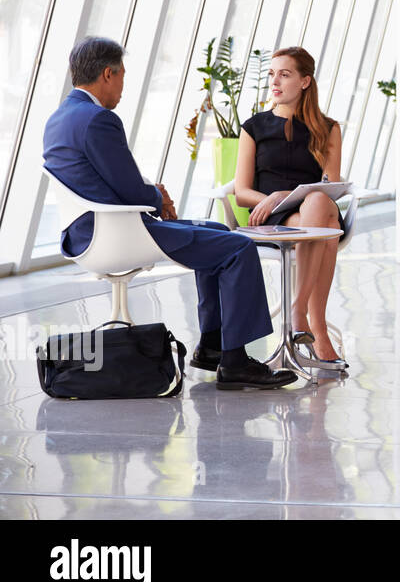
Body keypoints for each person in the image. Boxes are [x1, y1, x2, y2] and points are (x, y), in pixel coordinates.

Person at [42, 37, 295, 390]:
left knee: (218, 231)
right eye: (123, 77)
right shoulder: (98, 119)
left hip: (90, 229)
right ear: (107, 74)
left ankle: (211, 346)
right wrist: (158, 196)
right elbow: (130, 190)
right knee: (237, 247)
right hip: (116, 231)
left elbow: (112, 181)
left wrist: (151, 196)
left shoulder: (60, 117)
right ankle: (235, 361)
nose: (123, 88)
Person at [235, 47, 345, 366]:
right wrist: (272, 199)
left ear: (305, 81)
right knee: (323, 221)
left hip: (309, 211)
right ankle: (314, 325)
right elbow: (242, 192)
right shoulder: (253, 127)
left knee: (320, 202)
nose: (275, 81)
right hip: (267, 216)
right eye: (272, 74)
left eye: (285, 74)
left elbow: (330, 185)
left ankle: (302, 314)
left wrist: (284, 193)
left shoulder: (328, 128)